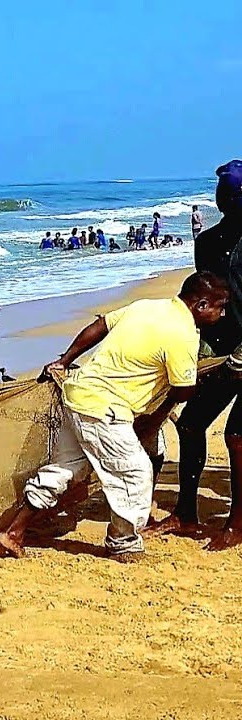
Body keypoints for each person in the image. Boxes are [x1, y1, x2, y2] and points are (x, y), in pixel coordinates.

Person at [0, 271, 229, 560]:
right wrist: (155, 419)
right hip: (105, 409)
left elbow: (99, 326)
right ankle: (123, 542)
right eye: (220, 306)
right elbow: (183, 389)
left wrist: (65, 360)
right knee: (135, 473)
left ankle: (14, 531)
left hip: (78, 395)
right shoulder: (182, 335)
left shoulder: (147, 306)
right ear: (202, 305)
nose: (223, 313)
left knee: (67, 467)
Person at [152, 160, 242, 546]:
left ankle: (237, 524)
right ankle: (186, 514)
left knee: (238, 435)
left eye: (231, 194)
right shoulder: (207, 243)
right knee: (190, 425)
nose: (224, 200)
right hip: (222, 353)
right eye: (221, 193)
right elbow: (206, 302)